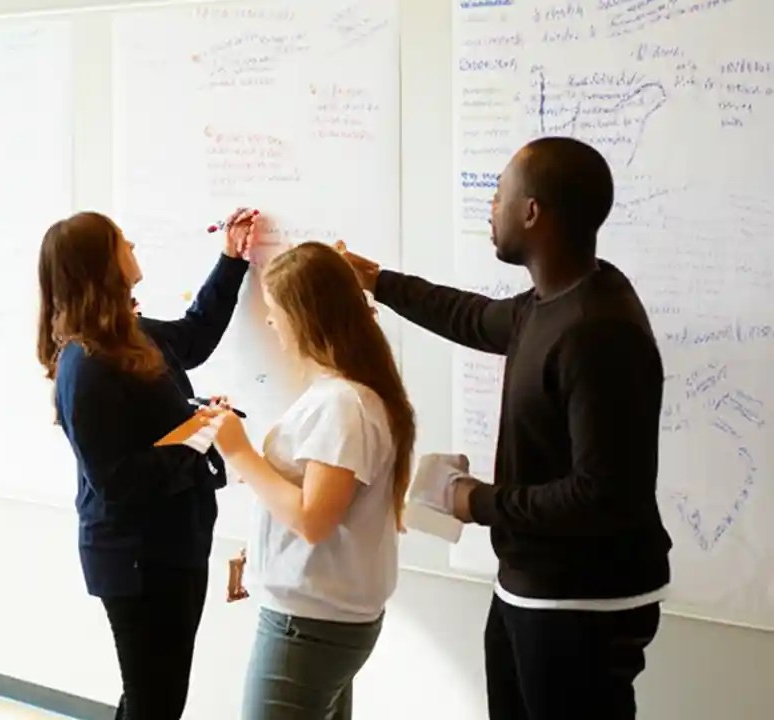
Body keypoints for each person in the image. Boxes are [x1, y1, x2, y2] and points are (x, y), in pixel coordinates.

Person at [341, 136, 672, 719]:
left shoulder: (598, 331)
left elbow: (603, 496)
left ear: (532, 211)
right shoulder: (552, 300)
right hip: (533, 585)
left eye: (497, 195)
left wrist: (478, 502)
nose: (489, 209)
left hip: (582, 601)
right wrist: (377, 280)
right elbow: (472, 317)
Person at [37, 208, 256, 719]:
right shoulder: (85, 362)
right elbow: (117, 479)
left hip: (172, 545)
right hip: (138, 559)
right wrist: (202, 433)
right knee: (156, 701)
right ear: (101, 263)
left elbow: (195, 337)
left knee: (152, 698)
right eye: (120, 240)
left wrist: (231, 260)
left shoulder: (126, 333)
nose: (131, 243)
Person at [205, 242, 415, 719]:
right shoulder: (350, 396)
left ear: (305, 317)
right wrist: (259, 551)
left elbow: (313, 520)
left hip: (310, 625)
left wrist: (239, 451)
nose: (272, 324)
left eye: (275, 313)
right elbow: (315, 504)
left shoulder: (342, 404)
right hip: (324, 620)